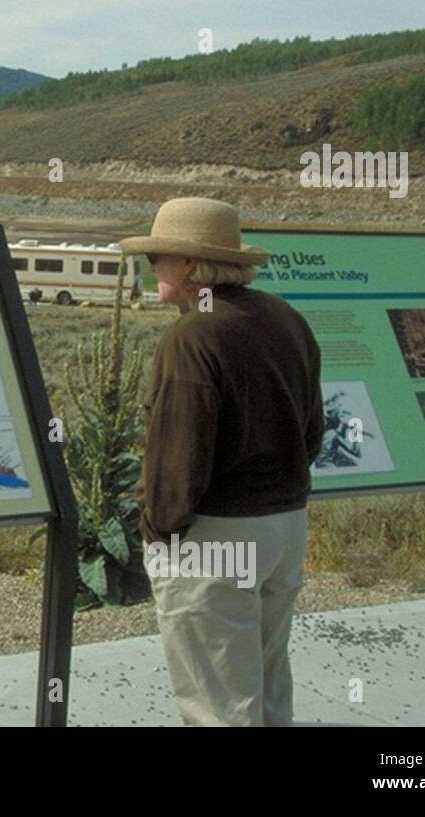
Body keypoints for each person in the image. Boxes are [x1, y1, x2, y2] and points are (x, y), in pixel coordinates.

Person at [119, 197, 324, 726]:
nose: (152, 268)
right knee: (269, 683)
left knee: (219, 704)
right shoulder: (286, 319)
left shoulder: (191, 336)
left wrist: (159, 531)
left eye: (158, 256)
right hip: (285, 526)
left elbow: (176, 458)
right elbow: (313, 432)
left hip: (216, 536)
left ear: (189, 265)